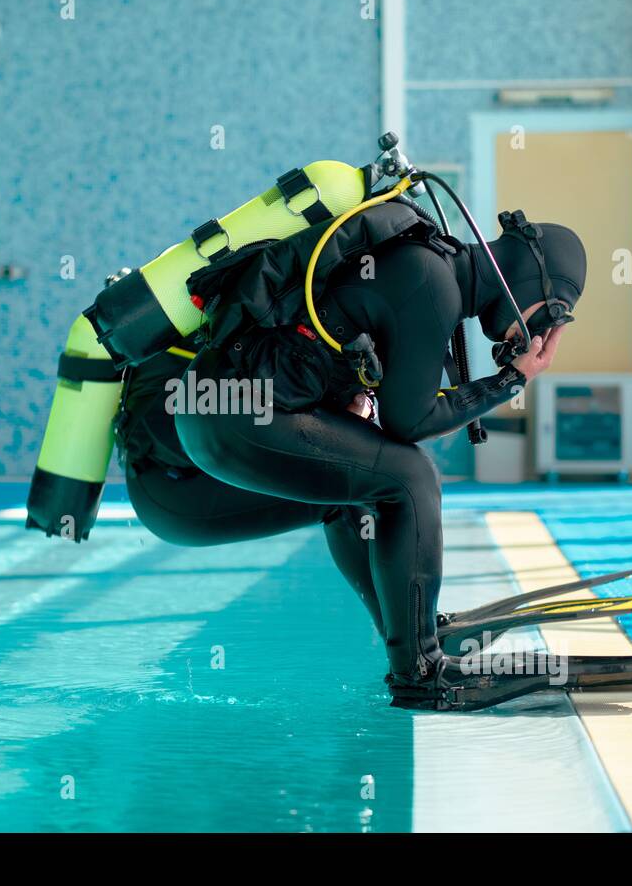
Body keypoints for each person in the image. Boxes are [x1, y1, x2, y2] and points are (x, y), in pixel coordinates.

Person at [115, 214, 587, 707]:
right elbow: (412, 421)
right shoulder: (432, 281)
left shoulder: (426, 265)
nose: (543, 331)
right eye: (553, 315)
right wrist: (510, 380)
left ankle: (410, 632)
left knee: (360, 487)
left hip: (213, 421)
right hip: (196, 464)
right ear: (537, 284)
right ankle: (421, 673)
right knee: (412, 478)